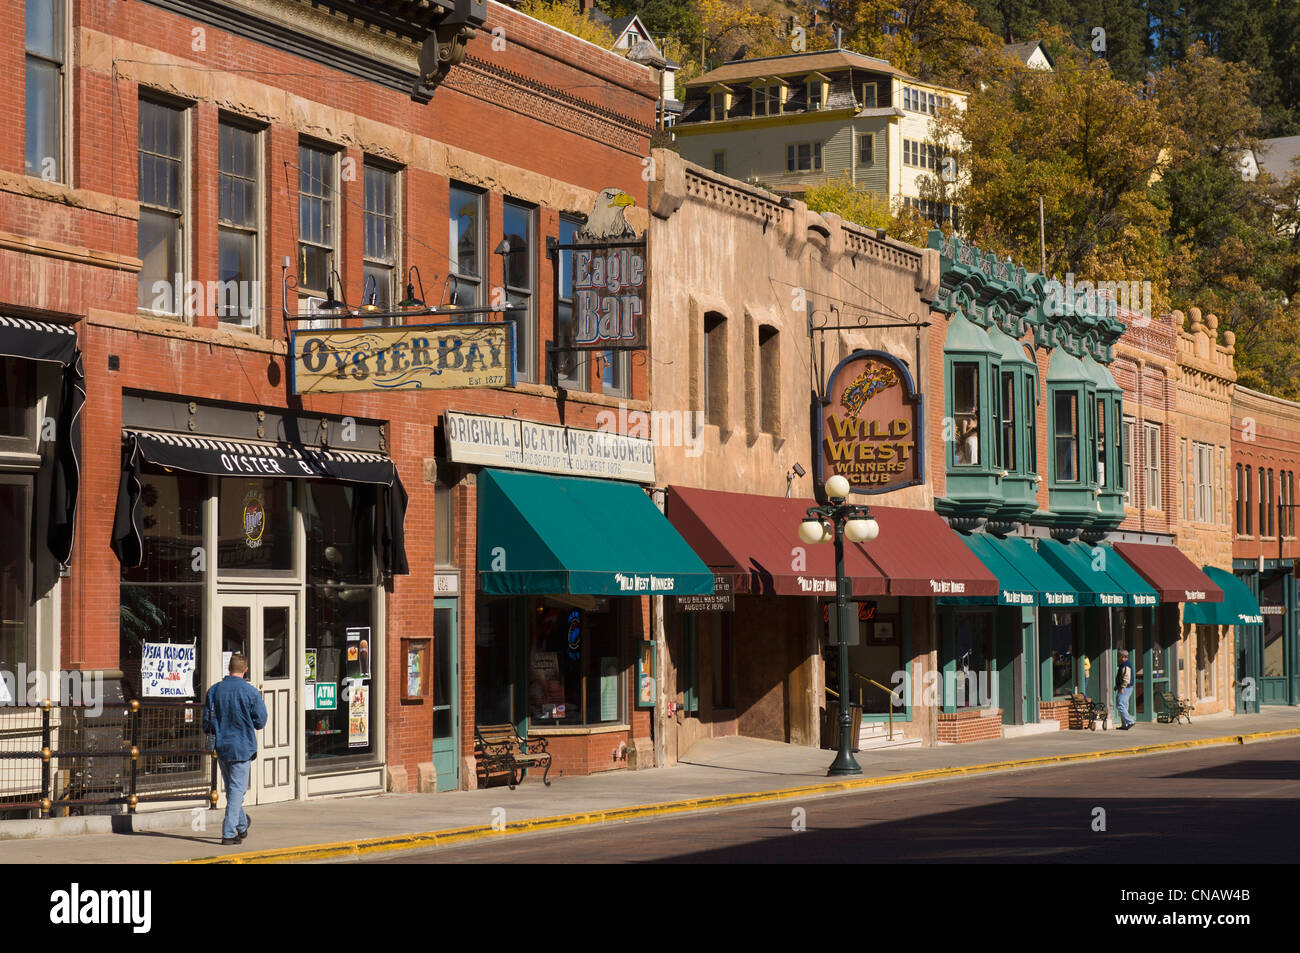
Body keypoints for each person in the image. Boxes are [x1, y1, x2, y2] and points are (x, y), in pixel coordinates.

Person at [203, 653, 267, 845]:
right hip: (242, 746)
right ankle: (229, 832)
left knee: (233, 791)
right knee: (237, 791)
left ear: (228, 668)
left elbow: (207, 722)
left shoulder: (214, 690)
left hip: (222, 745)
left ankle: (241, 824)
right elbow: (261, 720)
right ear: (245, 669)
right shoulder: (250, 692)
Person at [1115, 649, 1135, 730]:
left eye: (1119, 656)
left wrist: (1121, 687)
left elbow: (1126, 678)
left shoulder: (1126, 665)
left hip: (1125, 688)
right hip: (1126, 687)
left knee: (1120, 705)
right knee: (1124, 706)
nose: (1118, 658)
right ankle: (1125, 725)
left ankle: (1130, 722)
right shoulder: (1124, 664)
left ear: (1123, 657)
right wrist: (1117, 686)